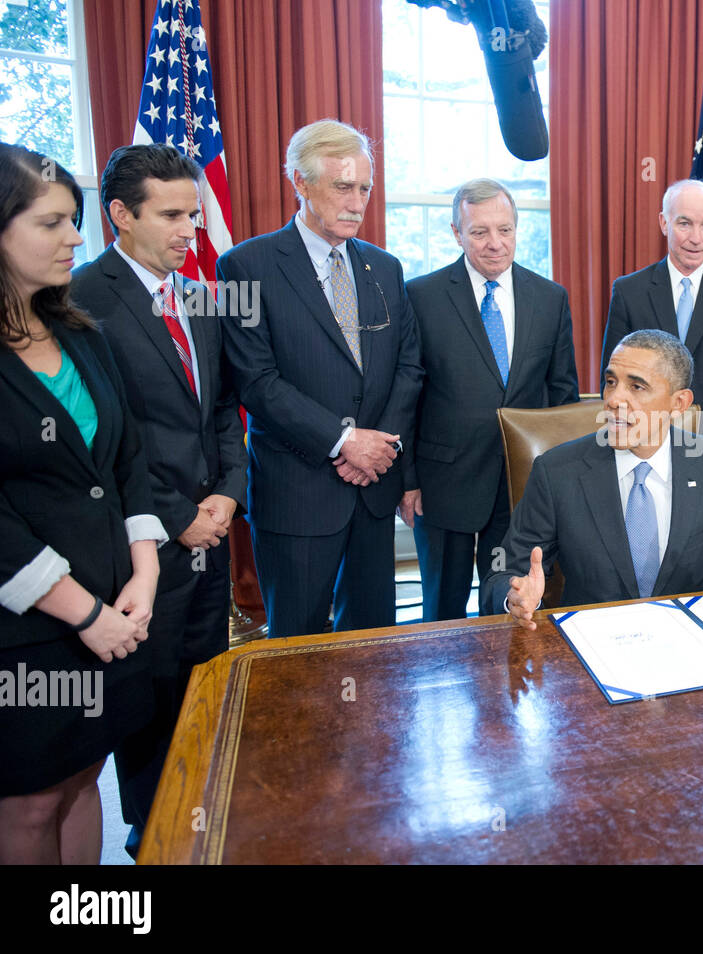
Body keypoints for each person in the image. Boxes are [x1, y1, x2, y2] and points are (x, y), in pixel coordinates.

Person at [71, 143, 247, 856]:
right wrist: (180, 519)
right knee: (146, 701)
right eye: (171, 215)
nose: (190, 230)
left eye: (195, 215)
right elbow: (110, 440)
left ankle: (199, 813)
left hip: (213, 530)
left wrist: (229, 496)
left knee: (203, 686)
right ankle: (152, 835)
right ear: (120, 214)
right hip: (141, 550)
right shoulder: (82, 301)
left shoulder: (200, 295)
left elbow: (223, 410)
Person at [0, 143, 164, 863]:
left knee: (84, 778)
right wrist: (85, 614)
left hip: (114, 608)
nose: (76, 237)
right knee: (32, 800)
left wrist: (144, 573)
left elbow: (125, 459)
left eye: (75, 221)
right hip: (30, 630)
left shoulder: (77, 331)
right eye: (54, 223)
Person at [484, 330, 703, 626]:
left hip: (686, 639)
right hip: (589, 641)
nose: (613, 400)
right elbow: (506, 571)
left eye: (636, 387)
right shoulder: (557, 470)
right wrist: (512, 596)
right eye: (611, 382)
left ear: (679, 403)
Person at [218, 120, 422, 638]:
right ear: (300, 183)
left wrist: (377, 449)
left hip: (373, 489)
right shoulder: (241, 267)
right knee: (296, 649)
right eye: (342, 187)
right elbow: (256, 381)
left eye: (365, 189)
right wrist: (344, 442)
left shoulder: (386, 267)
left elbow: (408, 367)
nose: (357, 203)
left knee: (372, 643)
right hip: (298, 495)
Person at [402, 178, 578, 620]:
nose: (495, 244)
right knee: (441, 609)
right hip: (443, 483)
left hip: (524, 485)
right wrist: (406, 479)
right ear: (456, 233)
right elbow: (405, 394)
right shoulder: (420, 296)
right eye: (479, 232)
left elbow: (564, 396)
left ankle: (499, 688)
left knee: (510, 605)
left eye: (505, 230)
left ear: (518, 229)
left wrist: (564, 480)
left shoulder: (550, 298)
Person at [600, 179, 703, 453]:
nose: (696, 238)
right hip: (641, 448)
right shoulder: (630, 291)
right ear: (664, 223)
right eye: (684, 223)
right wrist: (640, 444)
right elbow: (614, 382)